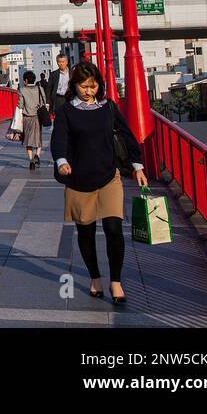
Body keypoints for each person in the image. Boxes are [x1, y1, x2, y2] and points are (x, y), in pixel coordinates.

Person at [50, 60, 146, 304]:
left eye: (93, 86)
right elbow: (59, 139)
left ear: (99, 86)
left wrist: (138, 166)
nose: (89, 91)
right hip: (78, 178)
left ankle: (116, 281)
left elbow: (126, 134)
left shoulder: (108, 107)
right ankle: (95, 277)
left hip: (108, 176)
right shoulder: (66, 111)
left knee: (114, 228)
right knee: (86, 232)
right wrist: (61, 160)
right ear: (75, 85)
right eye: (84, 86)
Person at [17, 70, 46, 170]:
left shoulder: (22, 90)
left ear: (25, 80)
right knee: (38, 137)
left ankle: (31, 160)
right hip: (38, 117)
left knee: (28, 139)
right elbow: (44, 101)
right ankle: (37, 155)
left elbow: (20, 105)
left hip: (27, 117)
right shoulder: (39, 88)